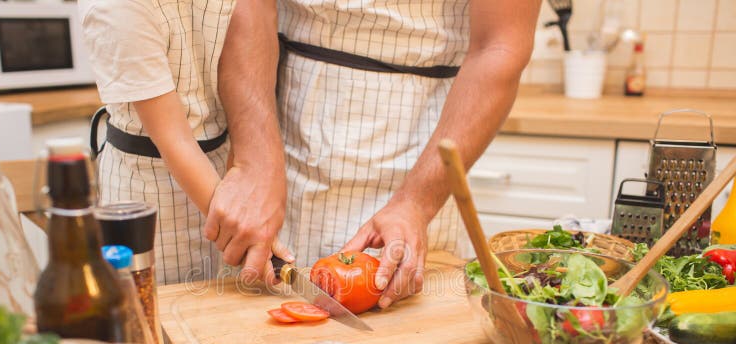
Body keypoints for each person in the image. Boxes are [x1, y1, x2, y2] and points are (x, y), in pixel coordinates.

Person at [212, 1, 540, 308]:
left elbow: (500, 46)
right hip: (281, 150)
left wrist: (417, 202)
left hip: (418, 159)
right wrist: (257, 162)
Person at [79, 0, 290, 286]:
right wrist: (249, 233)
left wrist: (244, 206)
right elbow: (175, 140)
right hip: (150, 191)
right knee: (156, 313)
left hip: (221, 174)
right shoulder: (116, 7)